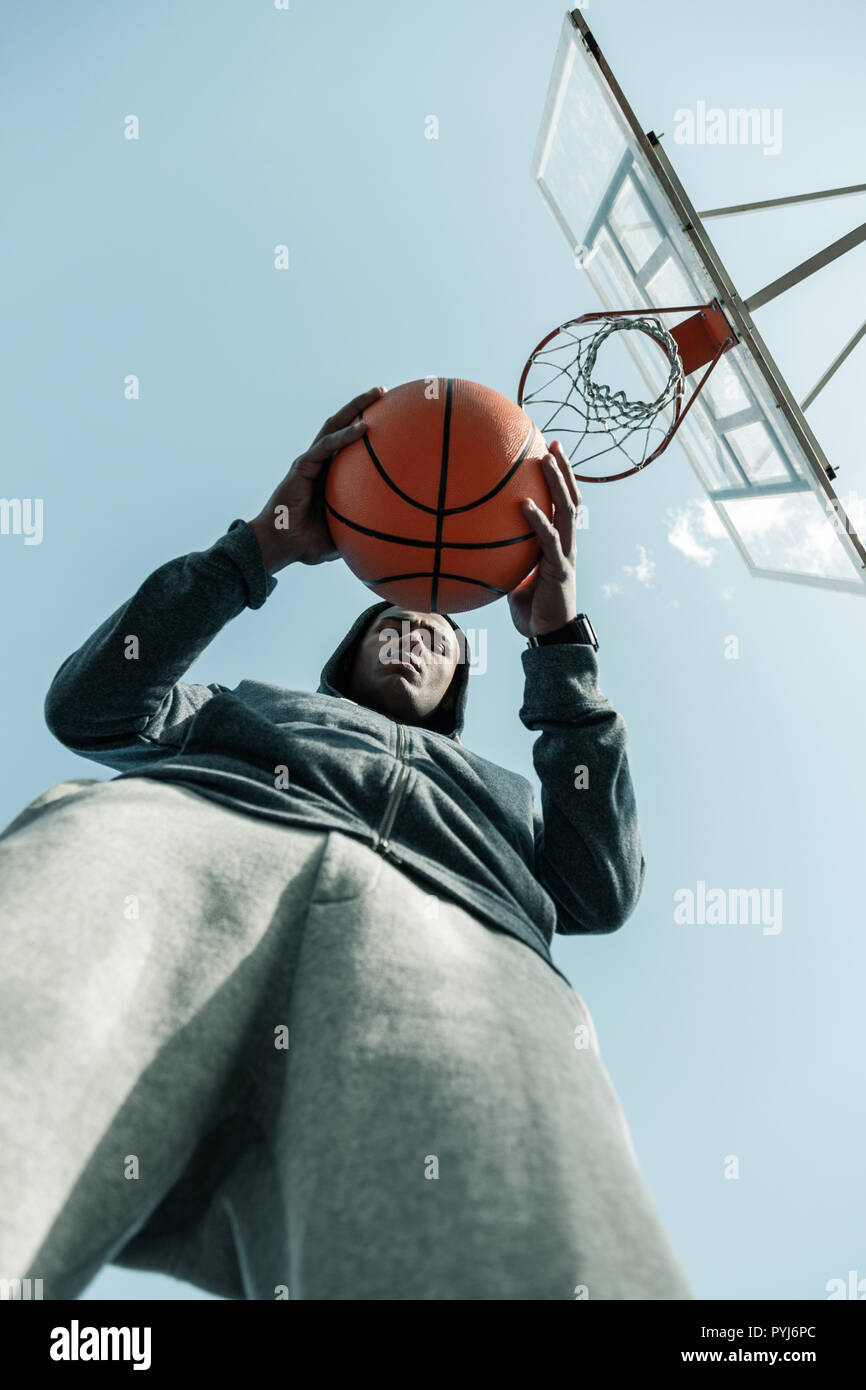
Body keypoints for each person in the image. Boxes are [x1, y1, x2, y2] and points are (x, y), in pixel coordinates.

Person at [0, 387, 694, 1301]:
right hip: (194, 843)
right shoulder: (236, 709)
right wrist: (263, 544)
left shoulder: (514, 800)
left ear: (457, 680)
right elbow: (89, 706)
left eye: (438, 633)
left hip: (457, 945)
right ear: (348, 656)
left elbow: (600, 890)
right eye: (392, 619)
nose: (412, 628)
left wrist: (561, 644)